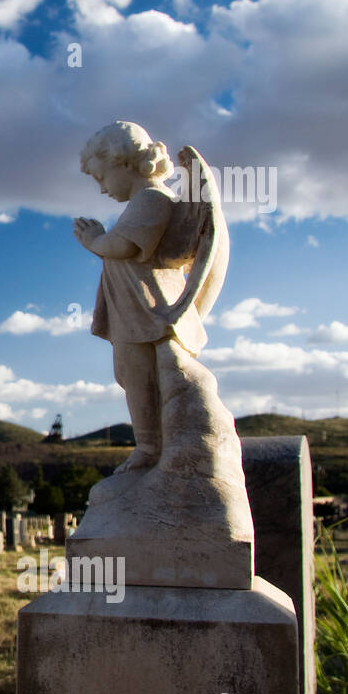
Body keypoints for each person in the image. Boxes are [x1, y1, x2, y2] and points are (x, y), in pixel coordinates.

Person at [74, 121, 225, 474]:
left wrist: (94, 239)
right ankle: (150, 446)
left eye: (102, 178)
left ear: (126, 163)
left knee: (150, 377)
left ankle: (155, 446)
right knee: (131, 374)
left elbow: (123, 245)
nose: (101, 189)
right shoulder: (142, 202)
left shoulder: (153, 200)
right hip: (132, 313)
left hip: (151, 311)